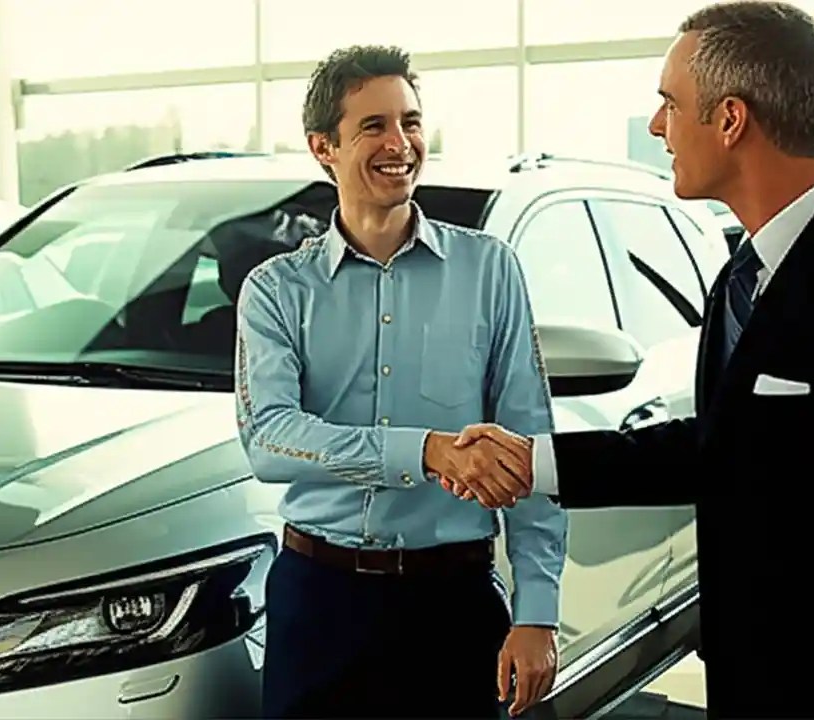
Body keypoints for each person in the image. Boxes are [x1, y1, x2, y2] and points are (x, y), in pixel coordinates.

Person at [446, 2, 814, 717]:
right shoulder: (739, 277)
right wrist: (532, 461)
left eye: (671, 103)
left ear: (730, 119)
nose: (657, 126)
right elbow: (720, 450)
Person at [234, 44, 568, 718]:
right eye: (374, 127)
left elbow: (529, 446)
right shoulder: (275, 291)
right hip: (318, 602)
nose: (401, 143)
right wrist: (426, 451)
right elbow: (269, 439)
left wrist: (538, 611)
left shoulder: (489, 271)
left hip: (452, 602)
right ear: (322, 147)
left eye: (411, 122)